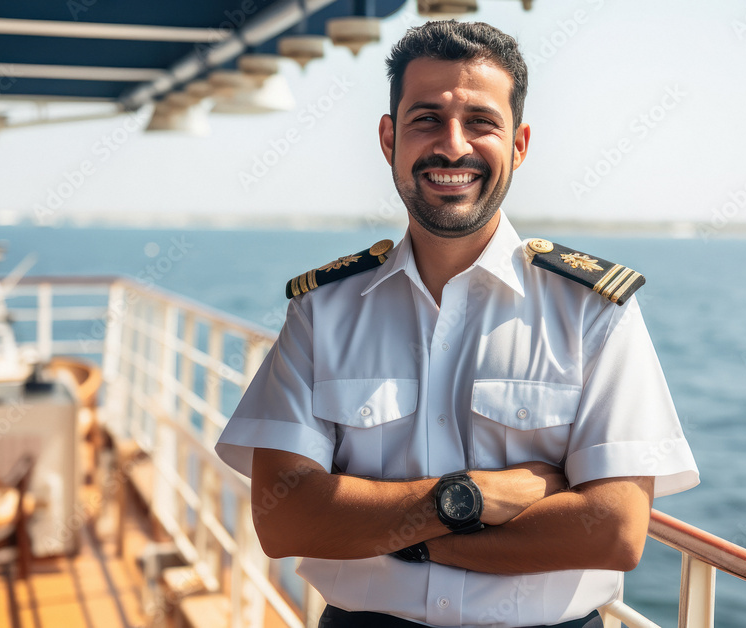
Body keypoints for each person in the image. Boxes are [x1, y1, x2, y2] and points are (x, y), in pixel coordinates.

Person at [216, 20, 698, 628]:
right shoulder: (323, 311)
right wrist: (476, 497)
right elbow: (283, 517)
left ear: (519, 144)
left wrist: (399, 536)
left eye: (480, 122)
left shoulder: (594, 313)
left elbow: (613, 530)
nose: (452, 146)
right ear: (389, 138)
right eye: (425, 119)